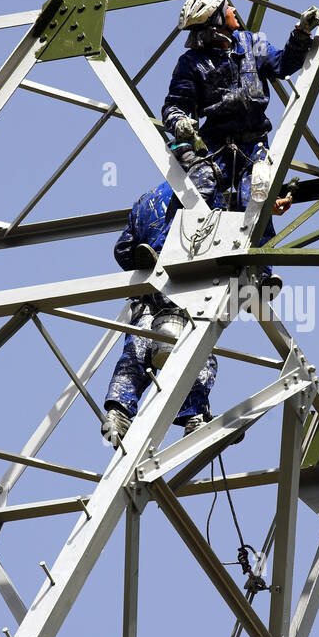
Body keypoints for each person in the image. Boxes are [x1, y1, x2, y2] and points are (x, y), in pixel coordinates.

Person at [162, 0, 319, 279]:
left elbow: (283, 63)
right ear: (215, 20)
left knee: (257, 195)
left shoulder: (252, 43)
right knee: (199, 193)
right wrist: (180, 123)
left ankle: (259, 274)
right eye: (229, 7)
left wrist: (302, 31)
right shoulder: (191, 63)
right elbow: (174, 106)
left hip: (253, 145)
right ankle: (178, 256)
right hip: (214, 148)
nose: (235, 11)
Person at [101, 180, 218, 447]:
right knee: (199, 352)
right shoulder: (207, 188)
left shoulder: (147, 199)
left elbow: (122, 249)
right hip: (185, 287)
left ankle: (117, 413)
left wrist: (146, 269)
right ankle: (194, 416)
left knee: (136, 352)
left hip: (147, 294)